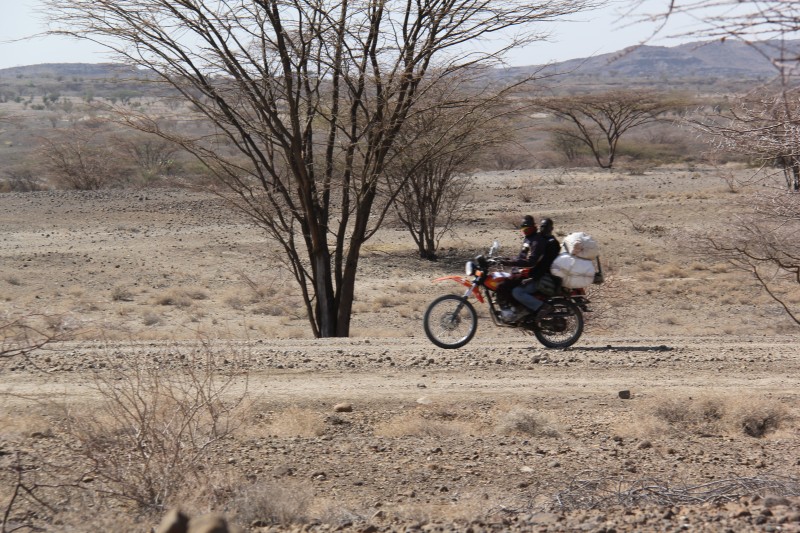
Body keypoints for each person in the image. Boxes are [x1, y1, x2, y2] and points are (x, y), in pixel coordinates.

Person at [509, 217, 560, 320]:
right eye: (542, 226)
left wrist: (532, 277)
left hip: (544, 278)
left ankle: (543, 307)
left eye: (546, 227)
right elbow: (524, 256)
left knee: (518, 292)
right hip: (537, 274)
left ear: (551, 228)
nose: (543, 229)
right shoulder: (538, 239)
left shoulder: (552, 243)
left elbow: (544, 264)